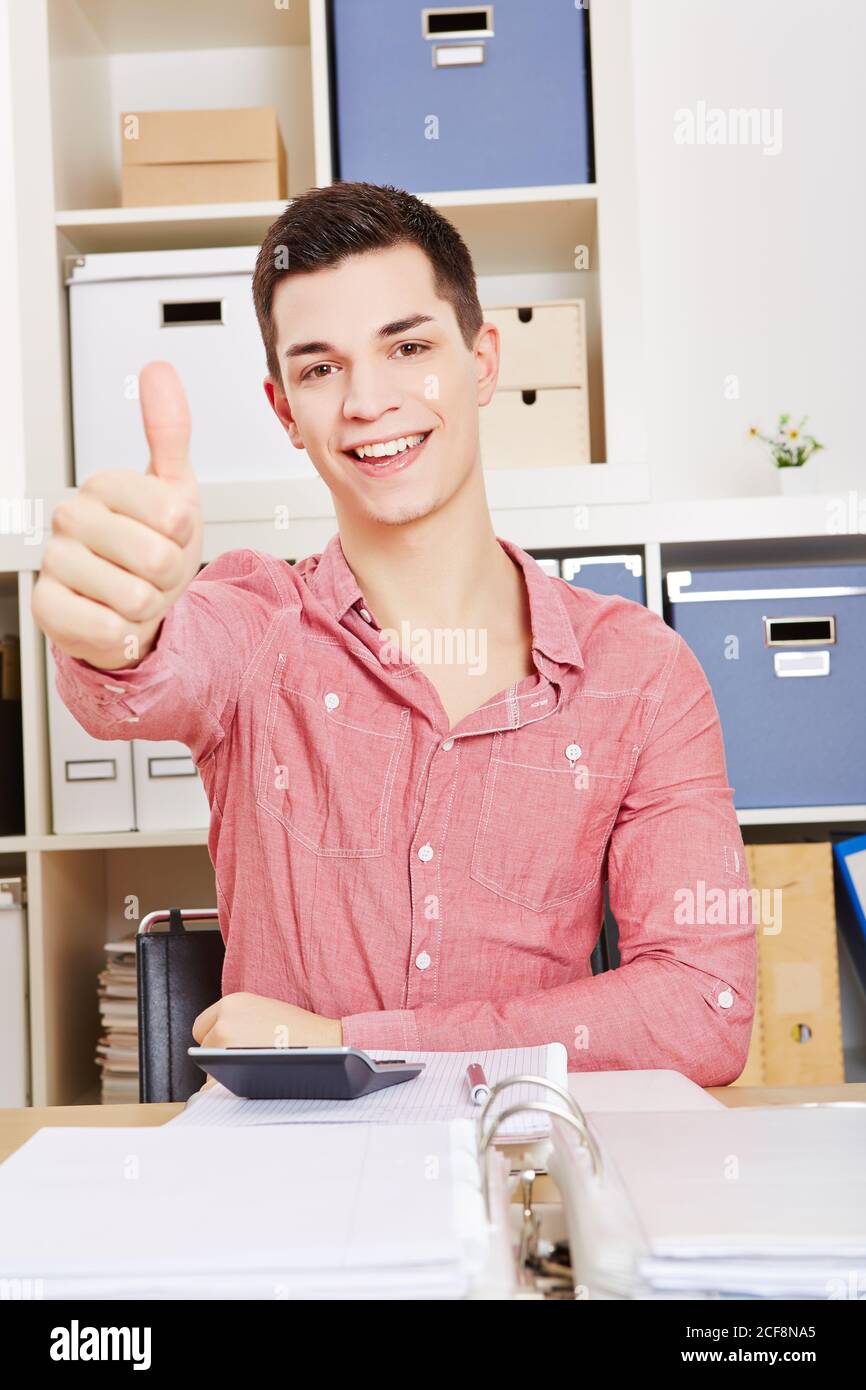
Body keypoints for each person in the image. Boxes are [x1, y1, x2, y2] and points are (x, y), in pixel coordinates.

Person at [33, 181, 755, 1083]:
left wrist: (352, 1045)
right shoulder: (255, 618)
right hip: (291, 1191)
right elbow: (146, 673)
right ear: (284, 410)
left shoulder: (642, 673)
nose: (367, 400)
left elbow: (703, 1008)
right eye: (321, 368)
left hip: (522, 1181)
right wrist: (113, 627)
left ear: (483, 360)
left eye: (407, 346)